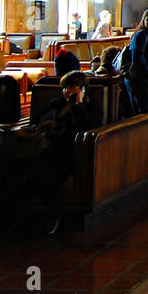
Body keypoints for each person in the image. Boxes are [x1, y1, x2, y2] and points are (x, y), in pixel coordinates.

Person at [30, 70, 95, 234]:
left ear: (82, 89)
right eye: (65, 87)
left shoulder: (89, 107)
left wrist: (79, 105)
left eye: (72, 87)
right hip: (42, 147)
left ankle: (53, 216)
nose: (67, 91)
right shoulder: (54, 104)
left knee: (44, 168)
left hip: (69, 152)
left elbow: (89, 128)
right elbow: (35, 122)